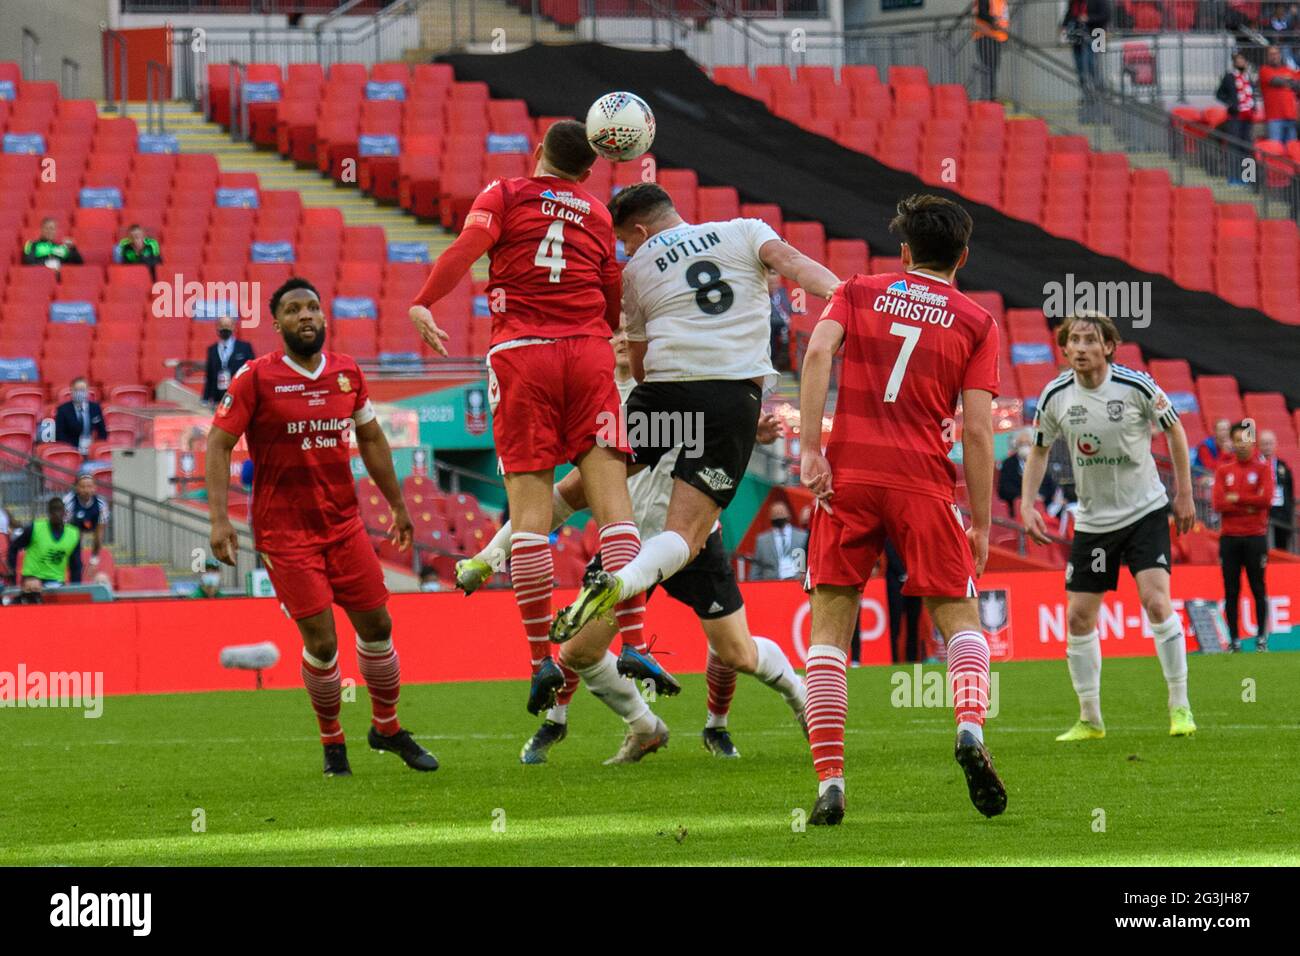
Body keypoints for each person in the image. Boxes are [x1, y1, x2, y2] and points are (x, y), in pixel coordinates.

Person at [458, 330, 806, 765]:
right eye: (614, 330)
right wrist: (488, 558)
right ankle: (645, 726)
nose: (622, 338)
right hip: (625, 550)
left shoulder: (672, 388)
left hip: (690, 545)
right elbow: (561, 501)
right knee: (580, 651)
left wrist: (746, 428)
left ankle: (801, 696)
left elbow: (716, 425)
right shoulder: (595, 408)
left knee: (738, 653)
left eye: (631, 330)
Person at [407, 119, 647, 719]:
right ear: (588, 171)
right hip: (589, 355)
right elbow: (613, 294)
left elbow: (466, 249)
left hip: (523, 355)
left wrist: (423, 301)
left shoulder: (505, 194)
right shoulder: (595, 211)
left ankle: (541, 656)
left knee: (531, 518)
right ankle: (638, 643)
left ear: (537, 153)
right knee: (616, 511)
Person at [551, 181, 839, 641]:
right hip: (730, 395)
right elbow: (795, 265)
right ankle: (620, 582)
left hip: (665, 391)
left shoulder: (637, 270)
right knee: (687, 534)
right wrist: (843, 296)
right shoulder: (745, 229)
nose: (626, 250)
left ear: (640, 231)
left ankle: (501, 550)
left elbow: (642, 369)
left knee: (578, 487)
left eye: (625, 241)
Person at [798, 194, 1006, 825]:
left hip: (849, 476)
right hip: (921, 483)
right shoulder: (977, 322)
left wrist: (811, 449)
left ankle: (831, 781)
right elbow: (975, 432)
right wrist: (982, 519)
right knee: (961, 621)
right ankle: (970, 727)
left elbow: (814, 355)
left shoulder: (860, 290)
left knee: (830, 631)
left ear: (905, 252)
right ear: (963, 257)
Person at [206, 277, 438, 778]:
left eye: (313, 307)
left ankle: (387, 727)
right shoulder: (255, 378)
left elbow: (372, 438)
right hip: (285, 535)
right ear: (277, 324)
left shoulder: (347, 374)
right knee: (324, 643)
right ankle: (333, 744)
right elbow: (219, 444)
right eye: (294, 310)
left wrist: (398, 506)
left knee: (378, 625)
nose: (306, 316)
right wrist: (221, 519)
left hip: (344, 525)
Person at [1022, 311, 1197, 742]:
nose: (1079, 348)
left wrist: (1185, 494)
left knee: (1156, 602)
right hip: (1095, 523)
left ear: (1108, 347)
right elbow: (1040, 450)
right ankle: (1090, 719)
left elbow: (1175, 432)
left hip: (1145, 512)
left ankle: (1180, 707)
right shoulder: (1056, 395)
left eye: (1088, 340)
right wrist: (1027, 504)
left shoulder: (1136, 386)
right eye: (1072, 341)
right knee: (1079, 618)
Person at [1213, 422, 1274, 652]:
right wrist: (1249, 501)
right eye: (1237, 440)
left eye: (1246, 440)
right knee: (1231, 590)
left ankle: (1260, 639)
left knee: (1258, 587)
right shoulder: (1223, 470)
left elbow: (1266, 499)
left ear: (1253, 442)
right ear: (1232, 442)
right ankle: (1234, 640)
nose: (1242, 445)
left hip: (1255, 537)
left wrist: (1235, 499)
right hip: (1229, 538)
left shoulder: (1263, 469)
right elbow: (1218, 503)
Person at [10, 497, 79, 601]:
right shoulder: (35, 528)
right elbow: (14, 547)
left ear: (64, 512)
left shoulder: (73, 534)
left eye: (59, 510)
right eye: (53, 510)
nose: (56, 513)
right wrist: (13, 576)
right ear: (49, 513)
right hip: (32, 579)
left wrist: (76, 590)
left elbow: (76, 565)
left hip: (56, 581)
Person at [1062, 0, 1110, 121]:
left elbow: (1105, 16)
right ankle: (1086, 95)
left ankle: (1098, 95)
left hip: (1096, 35)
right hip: (1077, 36)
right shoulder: (1074, 2)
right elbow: (1070, 14)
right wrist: (1063, 25)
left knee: (1092, 66)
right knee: (1081, 69)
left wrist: (1088, 18)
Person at [1216, 50, 1258, 184]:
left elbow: (1251, 95)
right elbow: (1219, 94)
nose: (1240, 62)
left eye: (1242, 59)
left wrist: (1254, 106)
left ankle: (1248, 178)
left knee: (1247, 148)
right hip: (1235, 118)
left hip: (1248, 118)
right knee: (1234, 147)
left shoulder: (1248, 77)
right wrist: (1231, 104)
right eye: (1237, 59)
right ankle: (1234, 177)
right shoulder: (1229, 77)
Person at [998, 428, 1058, 516]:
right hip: (1018, 507)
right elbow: (1005, 489)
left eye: (1027, 444)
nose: (1024, 447)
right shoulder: (1009, 464)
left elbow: (1049, 485)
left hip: (1044, 506)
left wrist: (1041, 495)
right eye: (1021, 444)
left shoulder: (1040, 461)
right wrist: (1026, 496)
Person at [63, 472, 109, 585]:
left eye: (89, 486)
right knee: (76, 562)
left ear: (95, 488)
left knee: (97, 539)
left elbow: (99, 535)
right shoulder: (68, 501)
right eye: (83, 487)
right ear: (77, 488)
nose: (86, 490)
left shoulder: (101, 505)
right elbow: (64, 529)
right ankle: (75, 586)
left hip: (92, 522)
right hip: (72, 527)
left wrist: (94, 560)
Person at [202, 314, 255, 406]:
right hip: (217, 396)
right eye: (222, 326)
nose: (225, 328)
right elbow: (209, 375)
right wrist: (205, 398)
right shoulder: (212, 349)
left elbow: (252, 373)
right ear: (217, 328)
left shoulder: (244, 347)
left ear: (234, 327)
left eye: (228, 325)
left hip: (239, 395)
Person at [885, 539, 923, 663]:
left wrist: (913, 574)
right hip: (895, 581)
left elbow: (921, 551)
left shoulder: (916, 531)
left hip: (915, 580)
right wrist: (903, 573)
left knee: (913, 624)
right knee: (895, 625)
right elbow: (889, 548)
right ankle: (893, 659)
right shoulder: (892, 527)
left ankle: (912, 659)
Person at [752, 500, 808, 580]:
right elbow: (756, 570)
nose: (778, 515)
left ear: (789, 516)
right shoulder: (762, 541)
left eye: (781, 514)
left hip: (797, 584)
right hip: (771, 585)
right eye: (776, 515)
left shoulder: (803, 537)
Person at [1259, 429, 1294, 550]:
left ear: (1275, 445)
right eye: (1264, 443)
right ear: (1259, 445)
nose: (1267, 447)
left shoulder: (1283, 466)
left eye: (1270, 443)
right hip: (1260, 513)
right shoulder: (1254, 465)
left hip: (1280, 514)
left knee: (1281, 550)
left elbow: (1289, 491)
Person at [53, 377, 107, 454]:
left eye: (82, 390)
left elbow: (102, 431)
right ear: (72, 391)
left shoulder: (95, 408)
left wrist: (96, 446)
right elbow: (59, 434)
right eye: (77, 390)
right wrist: (74, 447)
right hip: (72, 448)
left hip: (91, 447)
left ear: (87, 391)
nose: (80, 393)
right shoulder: (63, 410)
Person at [1259, 44, 1299, 144]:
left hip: (1290, 116)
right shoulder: (1264, 70)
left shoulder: (1288, 69)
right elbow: (1276, 81)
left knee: (1291, 152)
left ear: (1280, 55)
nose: (1274, 56)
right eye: (1271, 54)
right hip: (1274, 118)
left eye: (1276, 53)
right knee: (1275, 152)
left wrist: (1287, 81)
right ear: (1267, 57)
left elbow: (1298, 85)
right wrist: (1290, 81)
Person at [973, 0, 1009, 102]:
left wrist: (1004, 36)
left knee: (993, 68)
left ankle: (991, 96)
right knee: (988, 67)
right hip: (986, 36)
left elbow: (1003, 17)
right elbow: (981, 13)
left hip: (996, 37)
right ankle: (988, 96)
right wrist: (992, 21)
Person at [768, 268, 793, 372]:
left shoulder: (783, 294)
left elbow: (787, 312)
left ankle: (779, 360)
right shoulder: (757, 295)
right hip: (767, 326)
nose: (774, 279)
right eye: (771, 274)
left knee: (781, 326)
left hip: (779, 327)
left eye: (775, 274)